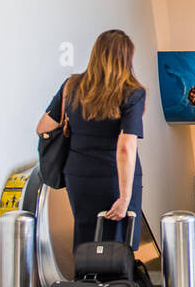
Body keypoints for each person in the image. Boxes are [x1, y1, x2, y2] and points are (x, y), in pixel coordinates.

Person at [36, 30, 146, 251]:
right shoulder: (132, 93)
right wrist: (125, 198)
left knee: (86, 239)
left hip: (79, 176)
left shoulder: (72, 86)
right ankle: (116, 286)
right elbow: (126, 146)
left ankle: (87, 284)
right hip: (114, 178)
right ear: (126, 58)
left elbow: (44, 127)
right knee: (118, 243)